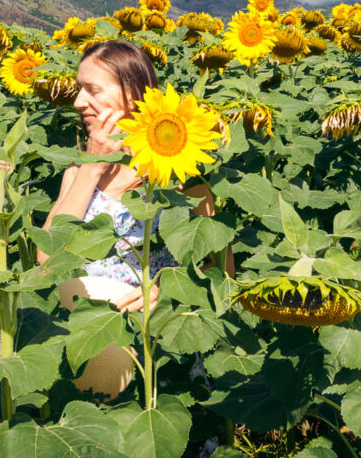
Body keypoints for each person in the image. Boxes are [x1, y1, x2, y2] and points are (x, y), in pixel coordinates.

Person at [36, 39, 228, 312]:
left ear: (133, 94)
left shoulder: (180, 171)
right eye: (80, 89)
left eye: (92, 90)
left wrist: (164, 290)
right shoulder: (78, 170)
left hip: (162, 331)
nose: (78, 101)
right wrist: (92, 167)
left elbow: (221, 269)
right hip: (92, 328)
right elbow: (47, 257)